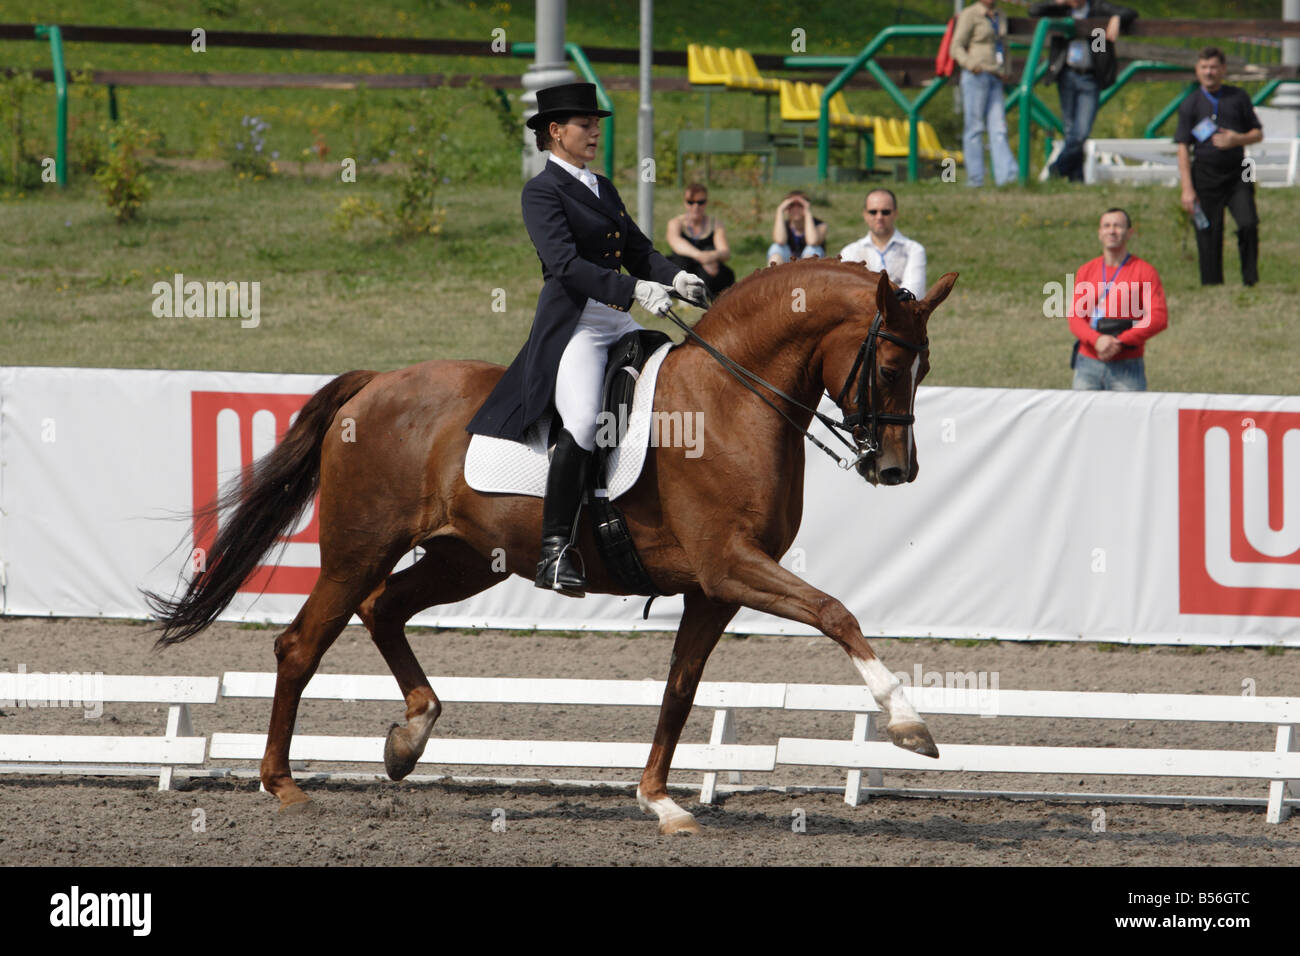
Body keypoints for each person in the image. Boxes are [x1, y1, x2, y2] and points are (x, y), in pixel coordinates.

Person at [465, 82, 707, 597]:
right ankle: (555, 550)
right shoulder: (541, 191)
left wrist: (675, 276)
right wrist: (636, 288)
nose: (596, 131)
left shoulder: (602, 186)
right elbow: (565, 266)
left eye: (596, 123)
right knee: (579, 421)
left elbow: (639, 251)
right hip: (577, 327)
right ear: (556, 132)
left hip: (618, 320)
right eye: (585, 124)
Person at [1174, 47, 1263, 287]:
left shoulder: (1238, 97)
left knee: (1248, 223)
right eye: (1204, 67)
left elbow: (1257, 133)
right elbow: (1182, 146)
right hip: (1204, 174)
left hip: (1238, 172)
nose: (1209, 72)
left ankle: (1250, 279)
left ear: (1223, 69)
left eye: (1214, 67)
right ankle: (1212, 285)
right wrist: (1187, 188)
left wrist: (1237, 139)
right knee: (1208, 232)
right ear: (1197, 70)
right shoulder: (1190, 104)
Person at [1029, 0, 1139, 182]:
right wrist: (1057, 3)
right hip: (1067, 74)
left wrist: (1117, 18)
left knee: (1081, 132)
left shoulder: (1098, 9)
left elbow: (1131, 11)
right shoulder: (1062, 10)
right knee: (1071, 131)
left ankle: (1055, 171)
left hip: (1090, 76)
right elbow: (1034, 11)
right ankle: (1076, 177)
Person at [1068, 208, 1168, 391]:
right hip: (1088, 364)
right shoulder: (1087, 270)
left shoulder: (1144, 271)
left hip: (1127, 366)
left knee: (1130, 419)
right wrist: (1097, 340)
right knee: (1083, 419)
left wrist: (1120, 341)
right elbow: (1075, 317)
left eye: (1118, 226)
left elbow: (1158, 318)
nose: (1112, 231)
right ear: (1099, 233)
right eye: (1106, 226)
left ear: (1130, 232)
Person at [951, 0, 1019, 187]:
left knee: (999, 128)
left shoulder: (1000, 15)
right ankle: (975, 178)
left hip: (995, 75)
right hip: (976, 76)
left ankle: (1007, 177)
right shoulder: (970, 14)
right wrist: (971, 65)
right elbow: (955, 46)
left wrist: (1007, 69)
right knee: (974, 127)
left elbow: (1004, 44)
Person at [837, 188, 927, 297]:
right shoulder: (850, 252)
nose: (879, 217)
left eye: (885, 212)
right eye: (873, 212)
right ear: (865, 214)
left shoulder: (914, 250)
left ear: (895, 213)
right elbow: (848, 294)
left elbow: (912, 293)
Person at [665, 182, 735, 298]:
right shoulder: (676, 223)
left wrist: (711, 256)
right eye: (690, 202)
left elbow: (725, 252)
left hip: (706, 271)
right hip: (685, 267)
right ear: (685, 202)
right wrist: (700, 256)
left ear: (706, 203)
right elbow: (675, 243)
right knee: (680, 258)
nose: (695, 207)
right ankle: (682, 293)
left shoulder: (715, 224)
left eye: (700, 202)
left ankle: (701, 294)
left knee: (712, 255)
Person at [766, 190, 827, 265]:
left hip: (810, 268)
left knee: (813, 249)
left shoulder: (820, 225)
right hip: (787, 260)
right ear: (786, 209)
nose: (796, 209)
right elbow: (780, 240)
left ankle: (805, 275)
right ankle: (774, 275)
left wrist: (807, 213)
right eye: (791, 205)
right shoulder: (784, 226)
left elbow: (812, 241)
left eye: (800, 205)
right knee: (776, 248)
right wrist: (780, 210)